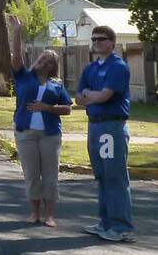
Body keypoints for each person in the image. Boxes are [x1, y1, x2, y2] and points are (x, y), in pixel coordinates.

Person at [7, 14, 72, 226]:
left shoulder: (57, 84)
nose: (43, 60)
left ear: (53, 66)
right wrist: (17, 32)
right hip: (26, 132)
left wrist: (47, 108)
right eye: (42, 57)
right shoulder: (24, 76)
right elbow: (16, 57)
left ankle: (50, 216)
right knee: (32, 175)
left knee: (51, 176)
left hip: (50, 135)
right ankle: (34, 214)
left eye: (48, 60)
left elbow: (67, 109)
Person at [75, 25, 135, 242]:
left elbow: (105, 96)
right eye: (94, 39)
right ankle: (105, 221)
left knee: (114, 177)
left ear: (112, 42)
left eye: (101, 39)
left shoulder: (117, 67)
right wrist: (92, 95)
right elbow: (78, 97)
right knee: (101, 175)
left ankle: (120, 226)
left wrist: (90, 95)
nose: (97, 42)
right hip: (94, 125)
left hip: (112, 127)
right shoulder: (90, 68)